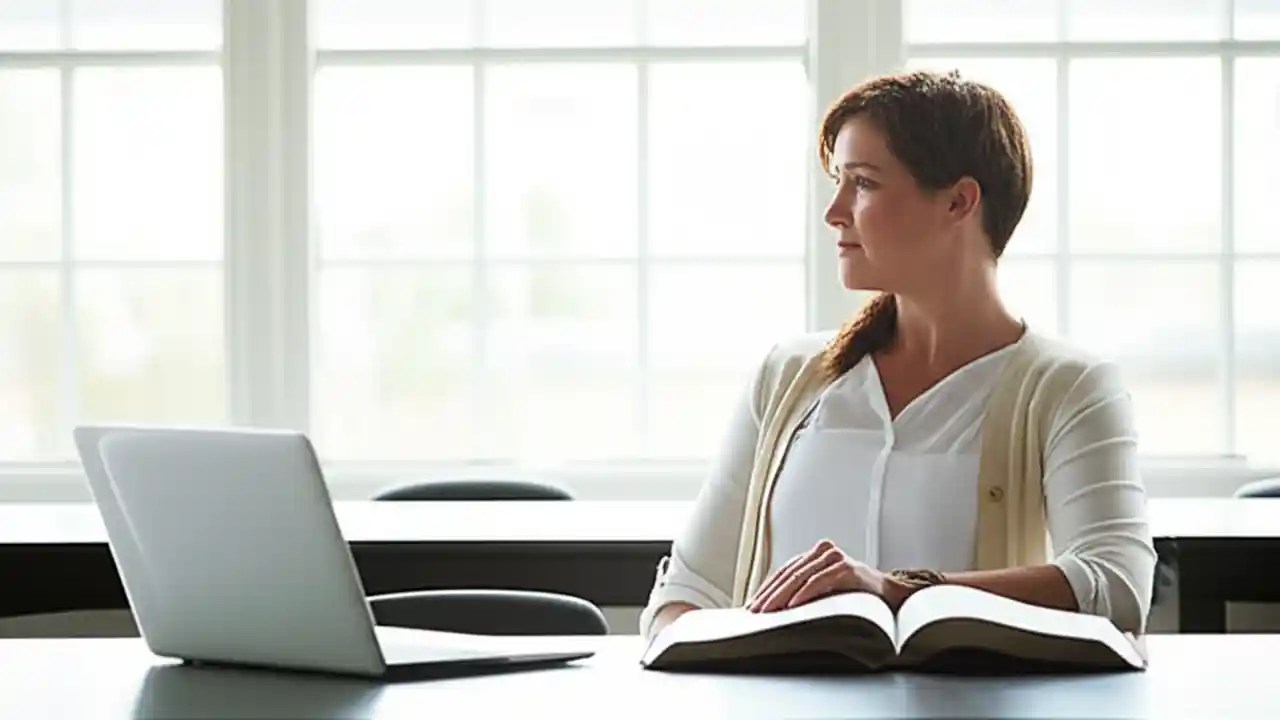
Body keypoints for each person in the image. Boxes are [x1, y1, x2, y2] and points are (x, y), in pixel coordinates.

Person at [639, 70, 1157, 643]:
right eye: (838, 181)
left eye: (862, 183)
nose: (835, 211)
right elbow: (684, 595)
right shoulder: (787, 377)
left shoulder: (1069, 387)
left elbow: (1117, 585)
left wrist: (896, 590)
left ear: (959, 201)